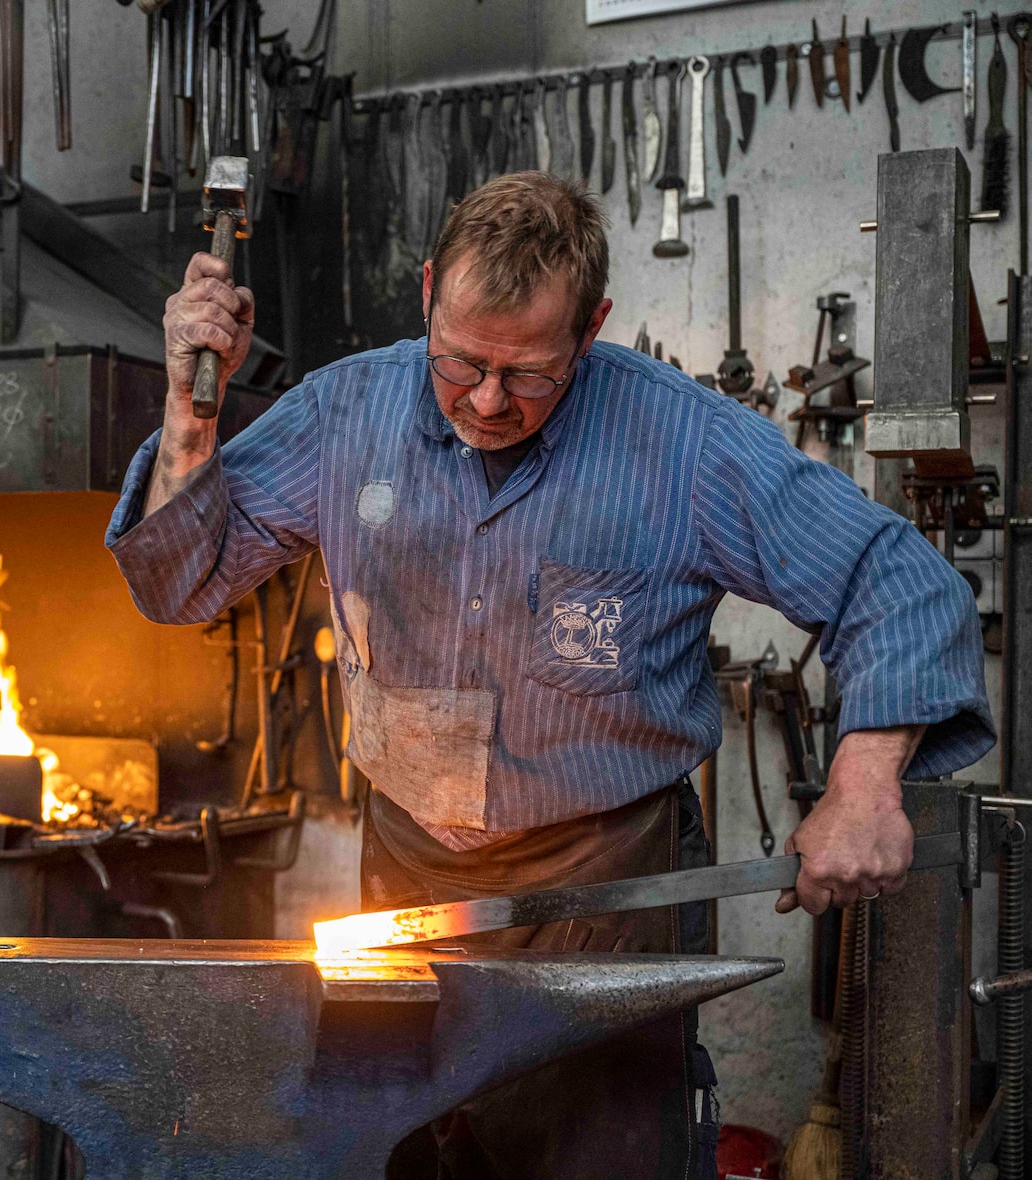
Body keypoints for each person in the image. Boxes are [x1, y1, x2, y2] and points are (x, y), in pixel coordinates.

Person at [103, 172, 993, 1178]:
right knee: (398, 1156)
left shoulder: (679, 440)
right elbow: (176, 583)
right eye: (462, 362)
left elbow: (900, 579)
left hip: (603, 892)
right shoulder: (345, 413)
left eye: (528, 374)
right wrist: (187, 412)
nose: (487, 400)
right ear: (429, 288)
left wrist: (865, 783)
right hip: (403, 885)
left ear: (594, 325)